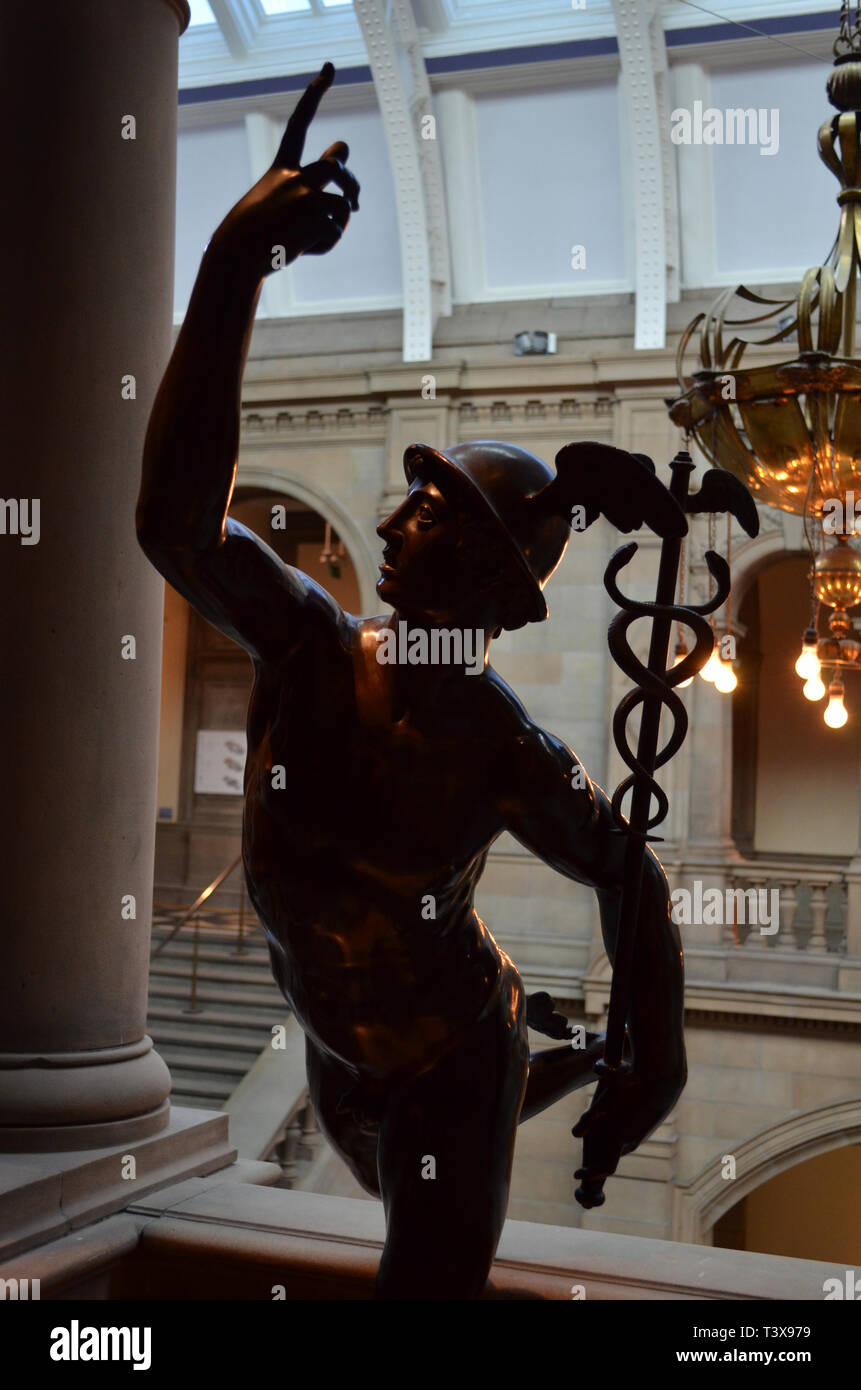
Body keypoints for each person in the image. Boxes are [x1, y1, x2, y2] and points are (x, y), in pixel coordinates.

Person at [138, 64, 686, 1300]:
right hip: (334, 1043)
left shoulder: (496, 742)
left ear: (488, 573)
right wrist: (236, 260)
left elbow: (628, 871)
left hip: (448, 1052)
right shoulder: (314, 645)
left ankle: (562, 1064)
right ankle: (577, 1061)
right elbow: (177, 524)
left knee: (426, 1291)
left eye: (431, 509)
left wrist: (665, 1056)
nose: (394, 518)